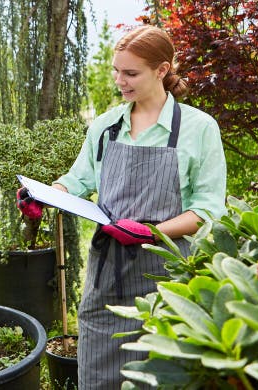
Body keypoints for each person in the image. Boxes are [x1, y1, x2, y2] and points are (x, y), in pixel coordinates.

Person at [37, 25, 227, 389]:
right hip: (107, 277)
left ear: (161, 70)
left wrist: (151, 232)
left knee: (158, 377)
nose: (119, 81)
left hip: (168, 280)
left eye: (130, 73)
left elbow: (207, 208)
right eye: (116, 70)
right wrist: (47, 195)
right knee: (98, 375)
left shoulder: (199, 128)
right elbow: (78, 180)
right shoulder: (107, 126)